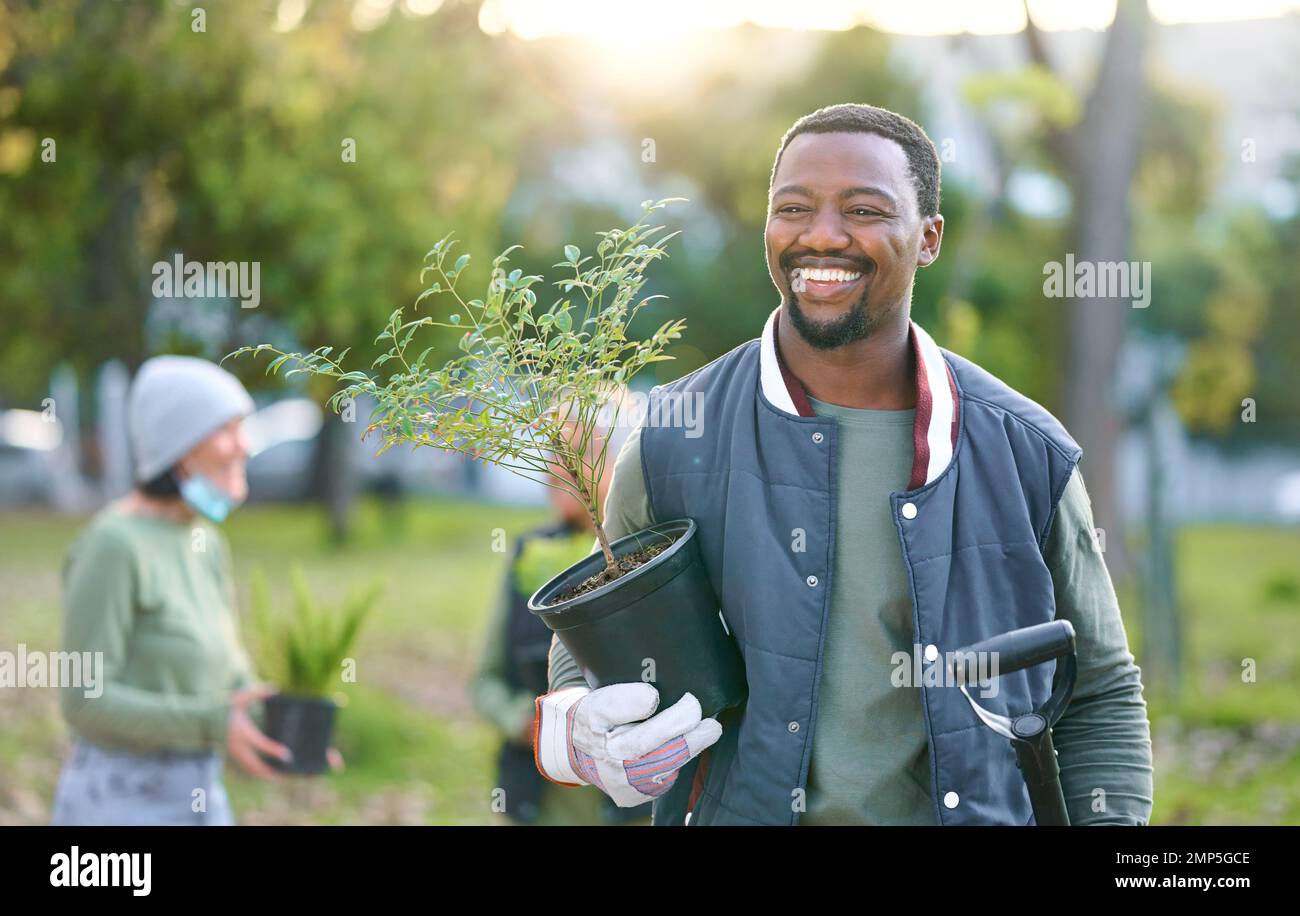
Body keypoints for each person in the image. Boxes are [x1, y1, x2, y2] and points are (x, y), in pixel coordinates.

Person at [535, 103, 1154, 826]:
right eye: (793, 208)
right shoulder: (675, 437)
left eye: (864, 209)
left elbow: (1101, 690)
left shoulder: (1025, 451)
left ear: (928, 239)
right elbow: (590, 642)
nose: (821, 235)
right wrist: (580, 728)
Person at [50, 356, 298, 825]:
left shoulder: (205, 542)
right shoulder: (113, 547)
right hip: (120, 807)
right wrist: (212, 724)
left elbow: (227, 664)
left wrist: (281, 721)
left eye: (243, 426)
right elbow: (82, 700)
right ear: (179, 448)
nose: (244, 445)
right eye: (226, 429)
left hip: (201, 799)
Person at [472, 386, 651, 824]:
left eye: (580, 449)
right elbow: (485, 681)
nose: (557, 466)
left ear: (623, 457)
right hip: (542, 804)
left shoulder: (650, 559)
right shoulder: (531, 553)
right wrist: (522, 721)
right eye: (554, 450)